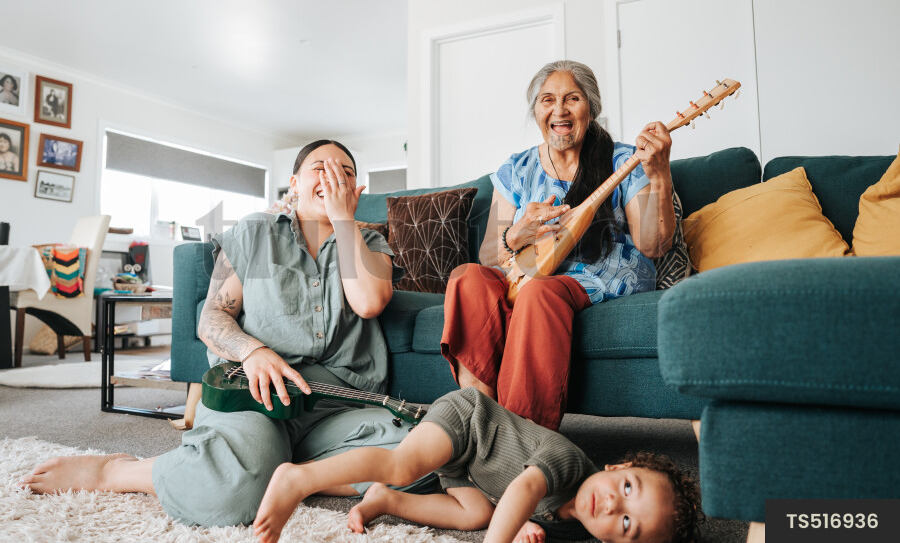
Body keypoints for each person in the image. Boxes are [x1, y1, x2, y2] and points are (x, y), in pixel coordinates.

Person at [19, 140, 435, 526]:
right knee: (232, 495)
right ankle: (118, 470)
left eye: (343, 172)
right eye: (319, 168)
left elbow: (368, 302)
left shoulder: (370, 241)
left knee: (430, 455)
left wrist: (344, 219)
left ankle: (291, 472)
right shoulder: (256, 234)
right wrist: (252, 351)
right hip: (257, 393)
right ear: (294, 184)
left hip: (339, 405)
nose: (331, 177)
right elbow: (213, 317)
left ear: (355, 189)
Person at [441, 60, 677, 432]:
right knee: (467, 277)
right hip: (531, 272)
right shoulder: (518, 169)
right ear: (536, 111)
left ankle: (523, 438)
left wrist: (660, 172)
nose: (559, 110)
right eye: (547, 100)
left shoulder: (624, 159)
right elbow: (490, 254)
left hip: (597, 279)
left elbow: (655, 245)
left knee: (538, 293)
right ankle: (479, 420)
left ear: (591, 108)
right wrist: (516, 234)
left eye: (572, 98)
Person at [253, 388, 701, 543]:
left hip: (469, 474)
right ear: (617, 466)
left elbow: (521, 509)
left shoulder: (579, 526)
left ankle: (385, 502)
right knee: (403, 464)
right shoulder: (570, 464)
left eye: (626, 525)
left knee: (477, 516)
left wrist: (523, 526)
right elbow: (525, 491)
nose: (610, 508)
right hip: (470, 422)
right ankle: (298, 476)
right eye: (626, 490)